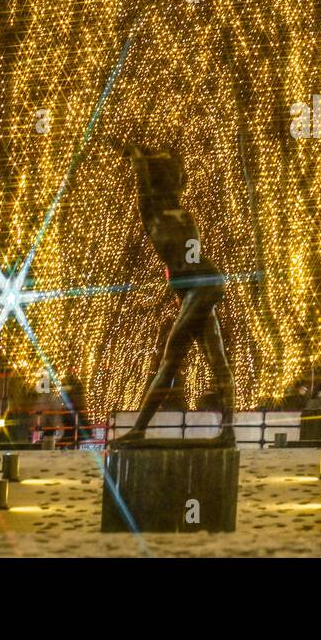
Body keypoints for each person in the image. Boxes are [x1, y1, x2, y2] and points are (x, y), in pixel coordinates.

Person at [118, 146, 235, 444]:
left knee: (171, 361)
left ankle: (140, 429)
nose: (175, 181)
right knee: (216, 359)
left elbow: (143, 181)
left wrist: (136, 157)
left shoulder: (160, 216)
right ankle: (228, 432)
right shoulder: (163, 214)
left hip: (201, 286)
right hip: (204, 285)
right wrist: (138, 158)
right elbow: (144, 183)